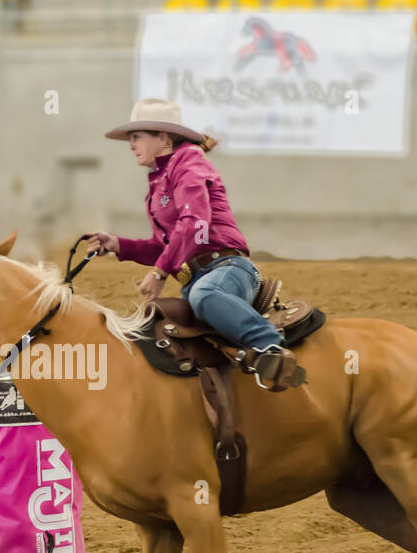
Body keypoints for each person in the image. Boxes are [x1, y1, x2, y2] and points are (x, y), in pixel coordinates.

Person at [86, 98, 293, 385]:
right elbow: (165, 247)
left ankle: (270, 347)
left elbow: (196, 225)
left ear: (163, 138)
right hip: (201, 278)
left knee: (204, 297)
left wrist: (160, 272)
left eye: (136, 137)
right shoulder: (161, 179)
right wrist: (118, 244)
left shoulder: (189, 162)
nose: (131, 145)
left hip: (228, 269)